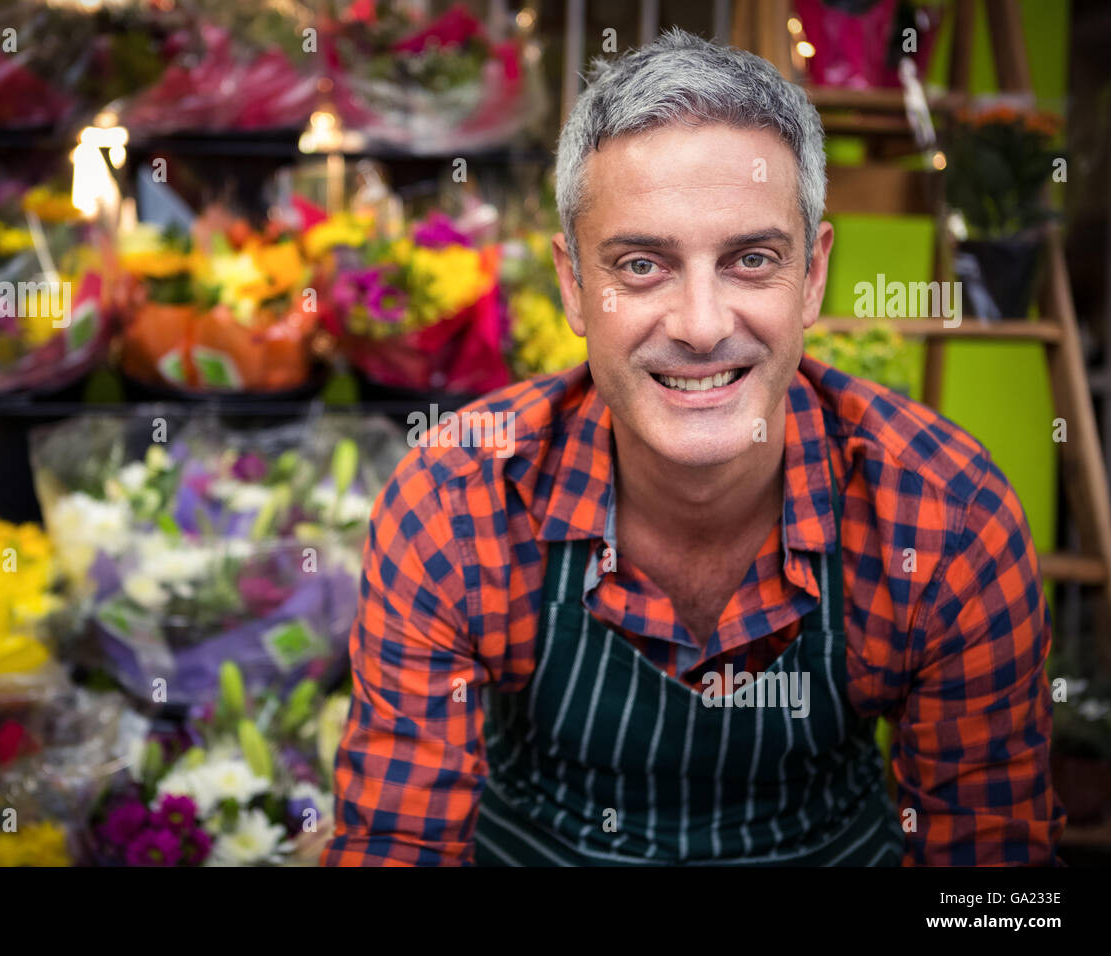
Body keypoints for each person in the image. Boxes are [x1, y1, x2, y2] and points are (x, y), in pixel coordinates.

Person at [321, 27, 1065, 866]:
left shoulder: (945, 519)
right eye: (642, 265)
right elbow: (395, 843)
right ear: (573, 285)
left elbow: (994, 876)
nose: (702, 326)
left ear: (813, 277)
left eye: (751, 259)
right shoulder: (457, 502)